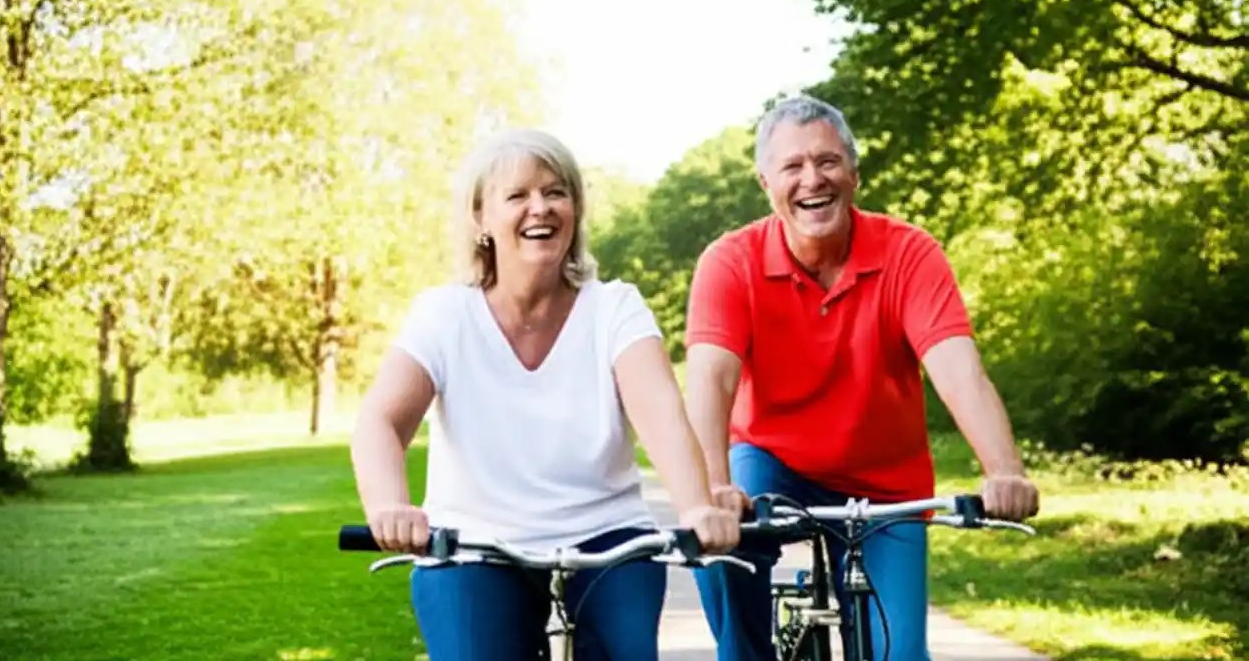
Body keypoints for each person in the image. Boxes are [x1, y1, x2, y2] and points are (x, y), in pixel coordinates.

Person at [349, 128, 740, 661]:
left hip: (609, 540)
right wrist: (389, 505)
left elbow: (663, 418)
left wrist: (696, 507)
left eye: (556, 192)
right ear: (481, 219)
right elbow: (382, 422)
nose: (541, 208)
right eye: (518, 196)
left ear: (575, 209)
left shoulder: (614, 308)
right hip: (472, 547)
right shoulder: (444, 315)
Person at [684, 95, 1040, 660]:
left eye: (827, 161)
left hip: (884, 481)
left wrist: (1004, 470)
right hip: (772, 459)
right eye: (792, 167)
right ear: (765, 182)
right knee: (720, 550)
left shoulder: (909, 253)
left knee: (899, 653)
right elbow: (710, 382)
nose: (812, 179)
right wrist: (711, 490)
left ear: (854, 173)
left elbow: (959, 371)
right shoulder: (731, 262)